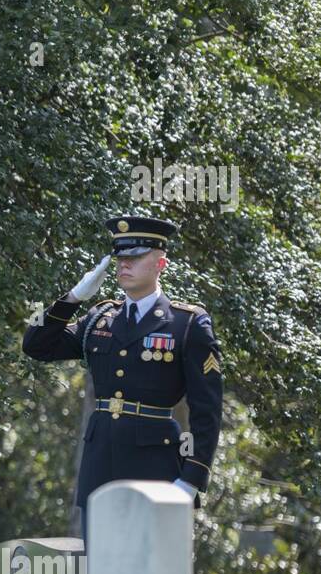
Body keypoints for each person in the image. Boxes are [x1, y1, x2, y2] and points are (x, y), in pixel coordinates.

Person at [22, 216, 224, 541]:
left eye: (134, 257)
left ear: (160, 263)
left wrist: (191, 479)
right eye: (120, 258)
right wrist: (73, 297)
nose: (123, 265)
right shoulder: (100, 317)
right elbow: (35, 344)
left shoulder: (187, 323)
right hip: (99, 465)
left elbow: (207, 410)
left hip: (155, 469)